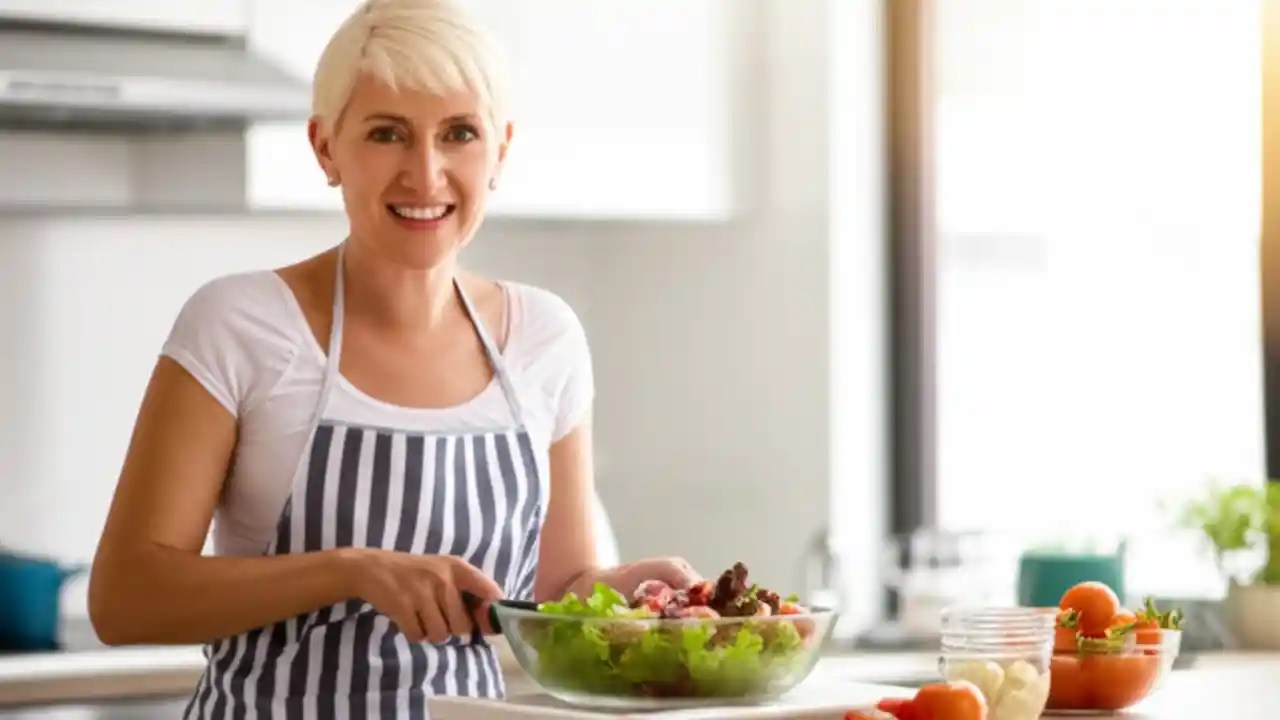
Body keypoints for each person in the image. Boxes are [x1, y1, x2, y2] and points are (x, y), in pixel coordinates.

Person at [87, 0, 701, 716]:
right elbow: (125, 600)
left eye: (459, 134)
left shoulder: (545, 338)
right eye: (387, 134)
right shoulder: (243, 324)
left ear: (499, 150)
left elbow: (553, 598)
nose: (426, 172)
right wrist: (351, 571)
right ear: (326, 149)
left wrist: (627, 590)